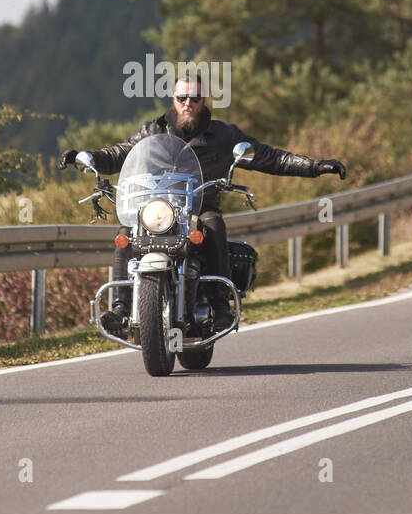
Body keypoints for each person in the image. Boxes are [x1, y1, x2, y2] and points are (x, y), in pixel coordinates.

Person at [58, 71, 346, 333]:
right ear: (173, 99)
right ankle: (121, 308)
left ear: (203, 100)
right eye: (181, 97)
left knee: (214, 222)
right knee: (125, 232)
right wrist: (86, 157)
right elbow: (118, 154)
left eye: (194, 98)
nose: (187, 103)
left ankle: (221, 304)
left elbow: (269, 157)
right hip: (158, 211)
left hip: (197, 208)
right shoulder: (153, 131)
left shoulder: (223, 136)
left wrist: (315, 166)